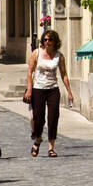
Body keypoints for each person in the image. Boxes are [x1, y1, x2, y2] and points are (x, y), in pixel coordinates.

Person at [24, 28, 74, 158]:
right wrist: (29, 89)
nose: (47, 42)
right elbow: (29, 72)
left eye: (50, 39)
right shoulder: (36, 53)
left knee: (53, 118)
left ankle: (51, 148)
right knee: (38, 118)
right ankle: (37, 140)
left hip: (53, 89)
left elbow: (64, 74)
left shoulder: (59, 56)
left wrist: (69, 92)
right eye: (45, 39)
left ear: (55, 41)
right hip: (38, 88)